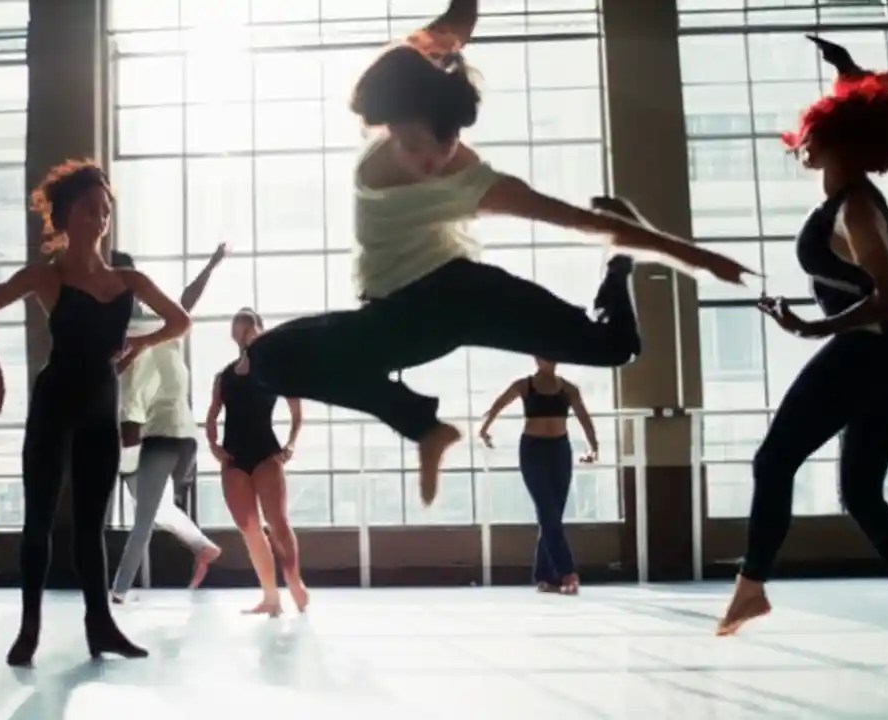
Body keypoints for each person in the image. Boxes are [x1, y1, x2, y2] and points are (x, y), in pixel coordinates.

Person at [243, 0, 753, 506]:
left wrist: (698, 258)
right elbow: (456, 23)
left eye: (437, 148)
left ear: (455, 134)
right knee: (266, 357)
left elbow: (581, 221)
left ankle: (619, 268)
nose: (425, 161)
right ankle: (424, 426)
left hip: (463, 295)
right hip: (392, 315)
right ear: (393, 122)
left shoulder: (478, 185)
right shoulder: (405, 81)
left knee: (614, 348)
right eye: (410, 144)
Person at [715, 36, 888, 670]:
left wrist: (813, 331)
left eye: (814, 131)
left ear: (840, 141)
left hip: (876, 346)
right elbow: (867, 293)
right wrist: (848, 73)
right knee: (862, 492)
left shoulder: (853, 208)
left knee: (774, 461)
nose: (804, 140)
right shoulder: (848, 202)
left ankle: (752, 587)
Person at [0, 159, 191, 667]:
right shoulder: (45, 278)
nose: (102, 218)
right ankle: (28, 632)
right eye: (92, 209)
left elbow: (180, 320)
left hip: (100, 412)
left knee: (91, 528)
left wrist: (139, 340)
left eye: (106, 210)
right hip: (54, 407)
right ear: (66, 217)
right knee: (38, 524)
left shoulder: (127, 280)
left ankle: (101, 627)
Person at [110, 248, 225, 603]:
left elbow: (186, 302)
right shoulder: (111, 327)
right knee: (151, 505)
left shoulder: (158, 322)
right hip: (131, 424)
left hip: (164, 429)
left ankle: (118, 590)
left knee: (144, 514)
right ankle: (202, 546)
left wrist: (211, 264)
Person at [207, 308, 306, 616]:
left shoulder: (276, 370)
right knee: (249, 529)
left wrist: (290, 443)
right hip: (235, 458)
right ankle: (270, 597)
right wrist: (214, 445)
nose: (244, 333)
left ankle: (294, 581)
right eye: (239, 329)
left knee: (278, 522)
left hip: (266, 452)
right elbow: (212, 417)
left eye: (249, 327)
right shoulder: (224, 376)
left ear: (261, 330)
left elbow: (296, 411)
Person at [477, 357, 599, 595]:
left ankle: (545, 577)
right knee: (547, 511)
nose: (547, 360)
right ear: (536, 358)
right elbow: (499, 404)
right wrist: (484, 430)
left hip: (560, 451)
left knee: (553, 514)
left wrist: (593, 448)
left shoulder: (569, 389)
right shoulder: (524, 386)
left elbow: (584, 417)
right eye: (543, 355)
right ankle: (567, 572)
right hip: (533, 452)